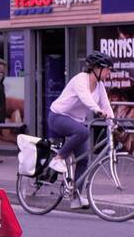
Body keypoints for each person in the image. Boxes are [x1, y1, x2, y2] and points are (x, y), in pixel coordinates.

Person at [47, 50, 114, 209]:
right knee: (83, 132)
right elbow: (86, 98)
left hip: (75, 122)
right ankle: (58, 158)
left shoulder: (100, 86)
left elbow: (106, 105)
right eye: (107, 69)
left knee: (83, 160)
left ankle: (75, 197)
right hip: (58, 117)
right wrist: (97, 110)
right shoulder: (80, 80)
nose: (109, 73)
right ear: (97, 68)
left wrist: (114, 123)